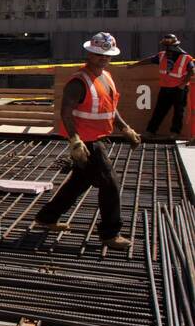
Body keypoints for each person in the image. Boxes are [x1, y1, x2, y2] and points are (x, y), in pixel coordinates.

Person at [32, 32, 141, 250]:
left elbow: (110, 108)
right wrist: (75, 141)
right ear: (89, 54)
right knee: (110, 183)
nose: (103, 58)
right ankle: (110, 233)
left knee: (79, 182)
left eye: (107, 55)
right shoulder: (78, 81)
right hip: (86, 142)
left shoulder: (106, 77)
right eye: (98, 54)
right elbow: (65, 112)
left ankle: (47, 217)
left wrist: (125, 127)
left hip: (97, 137)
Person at [128, 33, 191, 138]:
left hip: (179, 89)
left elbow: (191, 71)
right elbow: (149, 60)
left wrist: (182, 85)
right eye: (165, 47)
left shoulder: (185, 58)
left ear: (174, 46)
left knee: (178, 111)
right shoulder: (162, 55)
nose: (167, 49)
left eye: (168, 47)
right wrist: (134, 65)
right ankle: (151, 131)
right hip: (165, 88)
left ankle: (175, 132)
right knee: (159, 110)